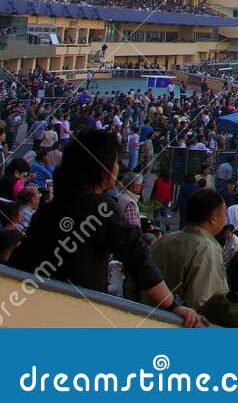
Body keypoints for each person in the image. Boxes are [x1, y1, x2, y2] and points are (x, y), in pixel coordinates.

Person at [11, 130, 201, 326]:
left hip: (37, 312)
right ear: (101, 168)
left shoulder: (48, 210)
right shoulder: (102, 208)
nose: (118, 167)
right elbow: (137, 259)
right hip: (77, 317)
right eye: (116, 161)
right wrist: (172, 305)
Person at [149, 186, 228, 309]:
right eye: (225, 214)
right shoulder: (207, 250)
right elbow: (202, 304)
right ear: (213, 218)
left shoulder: (165, 240)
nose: (226, 220)